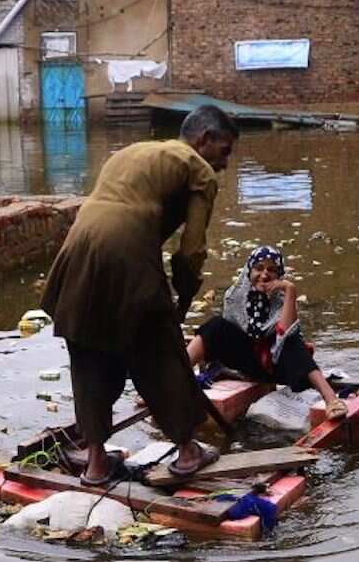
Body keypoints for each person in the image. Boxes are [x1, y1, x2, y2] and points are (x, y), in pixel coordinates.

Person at [41, 105, 238, 485]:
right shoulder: (199, 169)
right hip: (125, 250)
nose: (224, 164)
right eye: (225, 151)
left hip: (76, 247)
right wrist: (178, 304)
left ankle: (96, 463)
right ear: (204, 140)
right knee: (159, 353)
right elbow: (191, 250)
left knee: (90, 352)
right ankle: (187, 451)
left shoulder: (135, 152)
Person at [187, 245, 349, 420]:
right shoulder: (235, 296)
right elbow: (229, 336)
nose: (264, 275)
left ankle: (331, 399)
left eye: (271, 270)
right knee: (216, 325)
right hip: (247, 364)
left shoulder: (281, 300)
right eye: (259, 268)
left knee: (291, 341)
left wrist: (289, 290)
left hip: (279, 367)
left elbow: (285, 333)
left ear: (278, 275)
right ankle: (178, 371)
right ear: (249, 271)